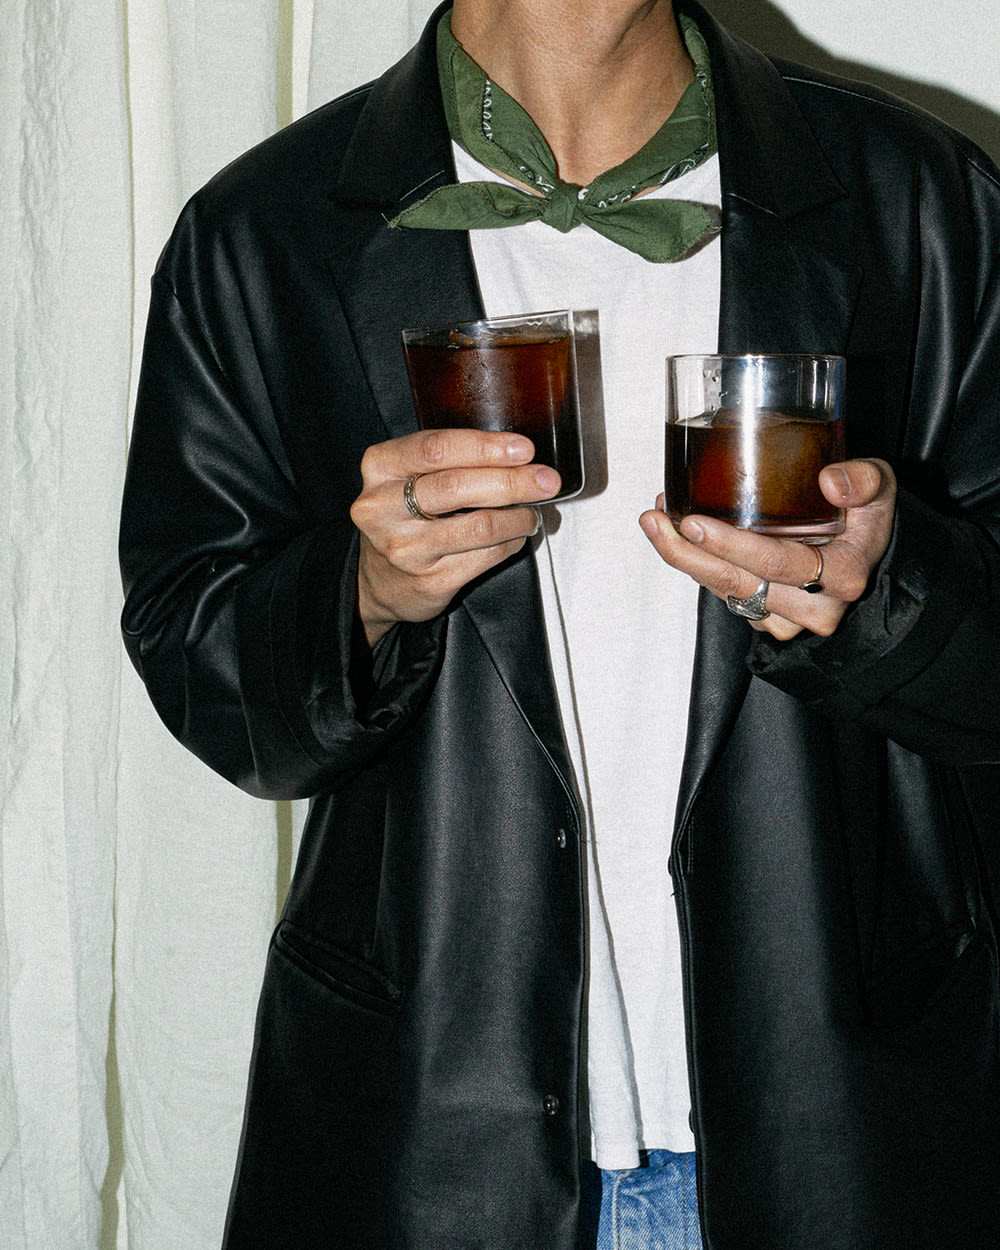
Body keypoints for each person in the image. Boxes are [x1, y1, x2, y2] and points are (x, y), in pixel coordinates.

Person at [119, 0, 1000, 1246]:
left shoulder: (919, 198)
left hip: (849, 1126)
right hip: (431, 1137)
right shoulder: (260, 231)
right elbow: (203, 673)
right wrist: (362, 592)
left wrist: (885, 586)